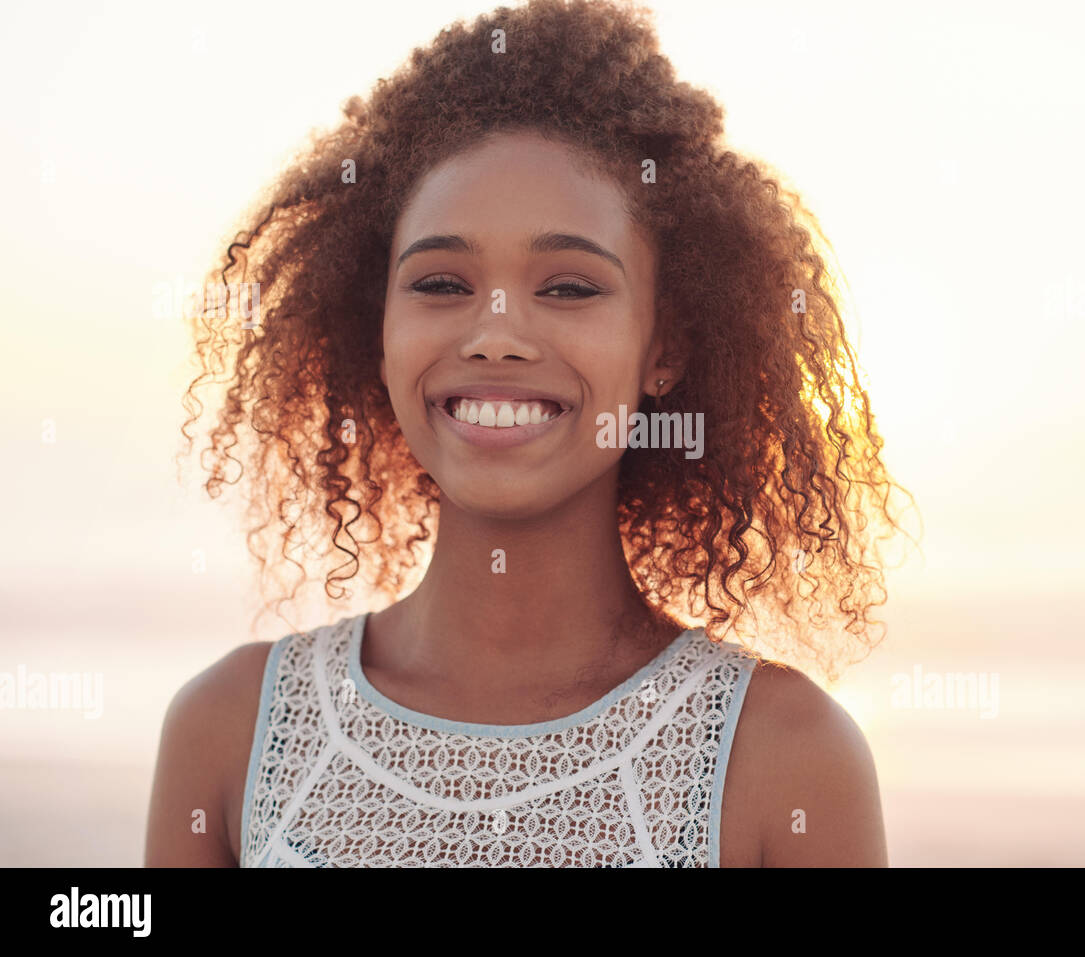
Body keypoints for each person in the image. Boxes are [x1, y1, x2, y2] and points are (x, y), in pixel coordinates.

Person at [146, 0, 909, 868]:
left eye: (570, 288)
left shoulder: (787, 760)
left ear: (665, 347)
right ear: (378, 332)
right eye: (440, 282)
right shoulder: (229, 736)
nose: (495, 332)